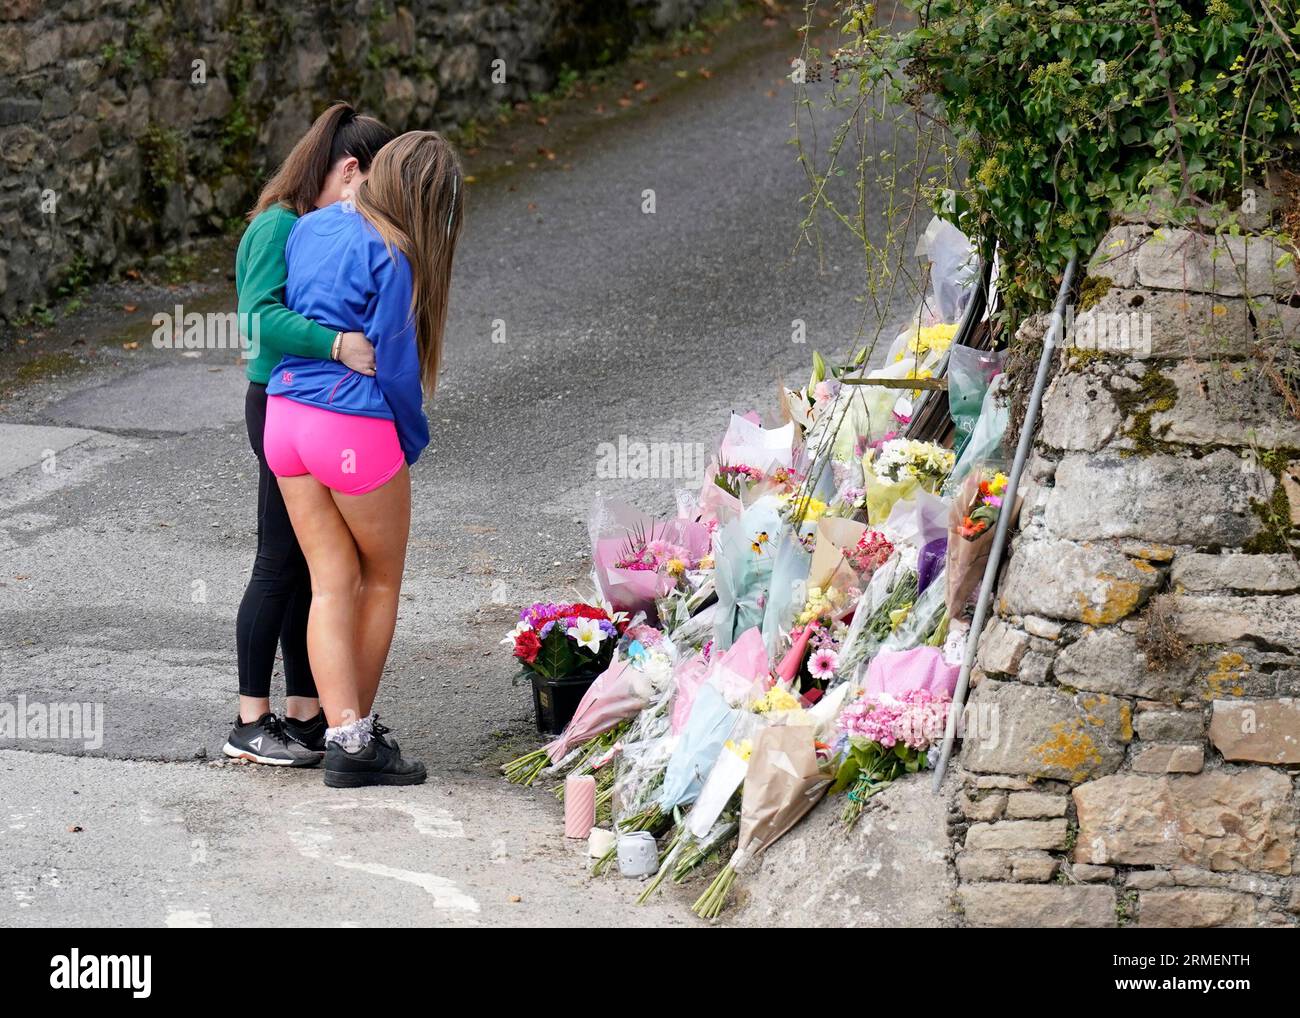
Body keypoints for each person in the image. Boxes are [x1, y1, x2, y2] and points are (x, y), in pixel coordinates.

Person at [264, 131, 464, 787]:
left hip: (285, 416)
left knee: (330, 581)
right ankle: (356, 741)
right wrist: (411, 440)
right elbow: (399, 371)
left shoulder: (311, 227)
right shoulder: (396, 252)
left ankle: (342, 731)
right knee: (378, 580)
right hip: (350, 427)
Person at [224, 102, 395, 767]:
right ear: (350, 170)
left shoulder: (318, 226)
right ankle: (250, 719)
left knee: (309, 565)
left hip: (308, 407)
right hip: (276, 402)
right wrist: (336, 345)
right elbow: (258, 317)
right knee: (277, 560)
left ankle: (302, 711)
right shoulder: (277, 224)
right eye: (375, 187)